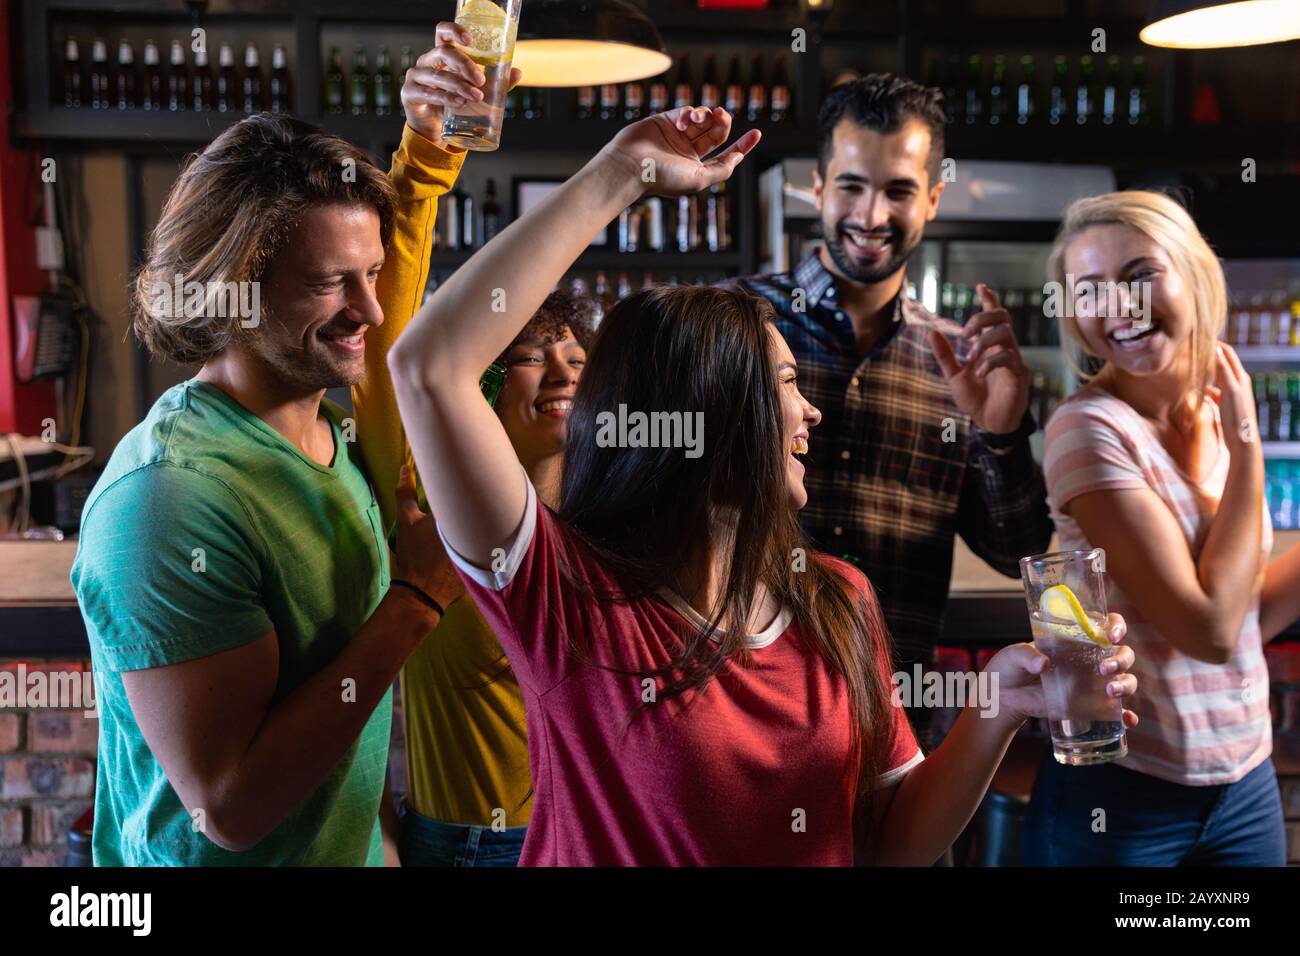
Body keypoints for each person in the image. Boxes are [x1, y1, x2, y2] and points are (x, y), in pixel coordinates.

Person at [386, 104, 1139, 866]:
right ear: (706, 406)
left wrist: (999, 707)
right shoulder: (572, 599)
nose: (808, 407)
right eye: (783, 380)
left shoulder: (839, 600)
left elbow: (884, 840)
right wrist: (620, 173)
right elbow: (428, 368)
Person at [69, 24, 512, 865]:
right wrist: (416, 601)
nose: (371, 312)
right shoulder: (168, 498)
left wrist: (434, 134)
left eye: (371, 274)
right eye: (326, 284)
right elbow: (230, 807)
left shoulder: (333, 436)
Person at [724, 75, 1054, 749]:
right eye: (851, 185)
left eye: (899, 190)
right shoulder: (732, 325)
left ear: (932, 199)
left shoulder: (957, 361)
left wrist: (999, 432)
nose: (872, 215)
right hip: (739, 717)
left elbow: (1017, 551)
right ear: (816, 187)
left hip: (891, 730)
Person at [1024, 190, 1300, 866]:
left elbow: (1241, 618)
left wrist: (1234, 439)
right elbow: (1205, 631)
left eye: (1141, 275)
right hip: (1126, 796)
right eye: (1089, 289)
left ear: (1196, 276)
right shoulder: (1086, 429)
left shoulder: (1216, 412)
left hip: (1246, 778)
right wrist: (1246, 444)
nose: (1119, 307)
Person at [358, 288, 595, 866]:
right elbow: (392, 366)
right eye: (533, 357)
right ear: (483, 383)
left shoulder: (608, 524)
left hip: (590, 835)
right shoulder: (433, 515)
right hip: (473, 848)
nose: (562, 372)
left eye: (577, 358)